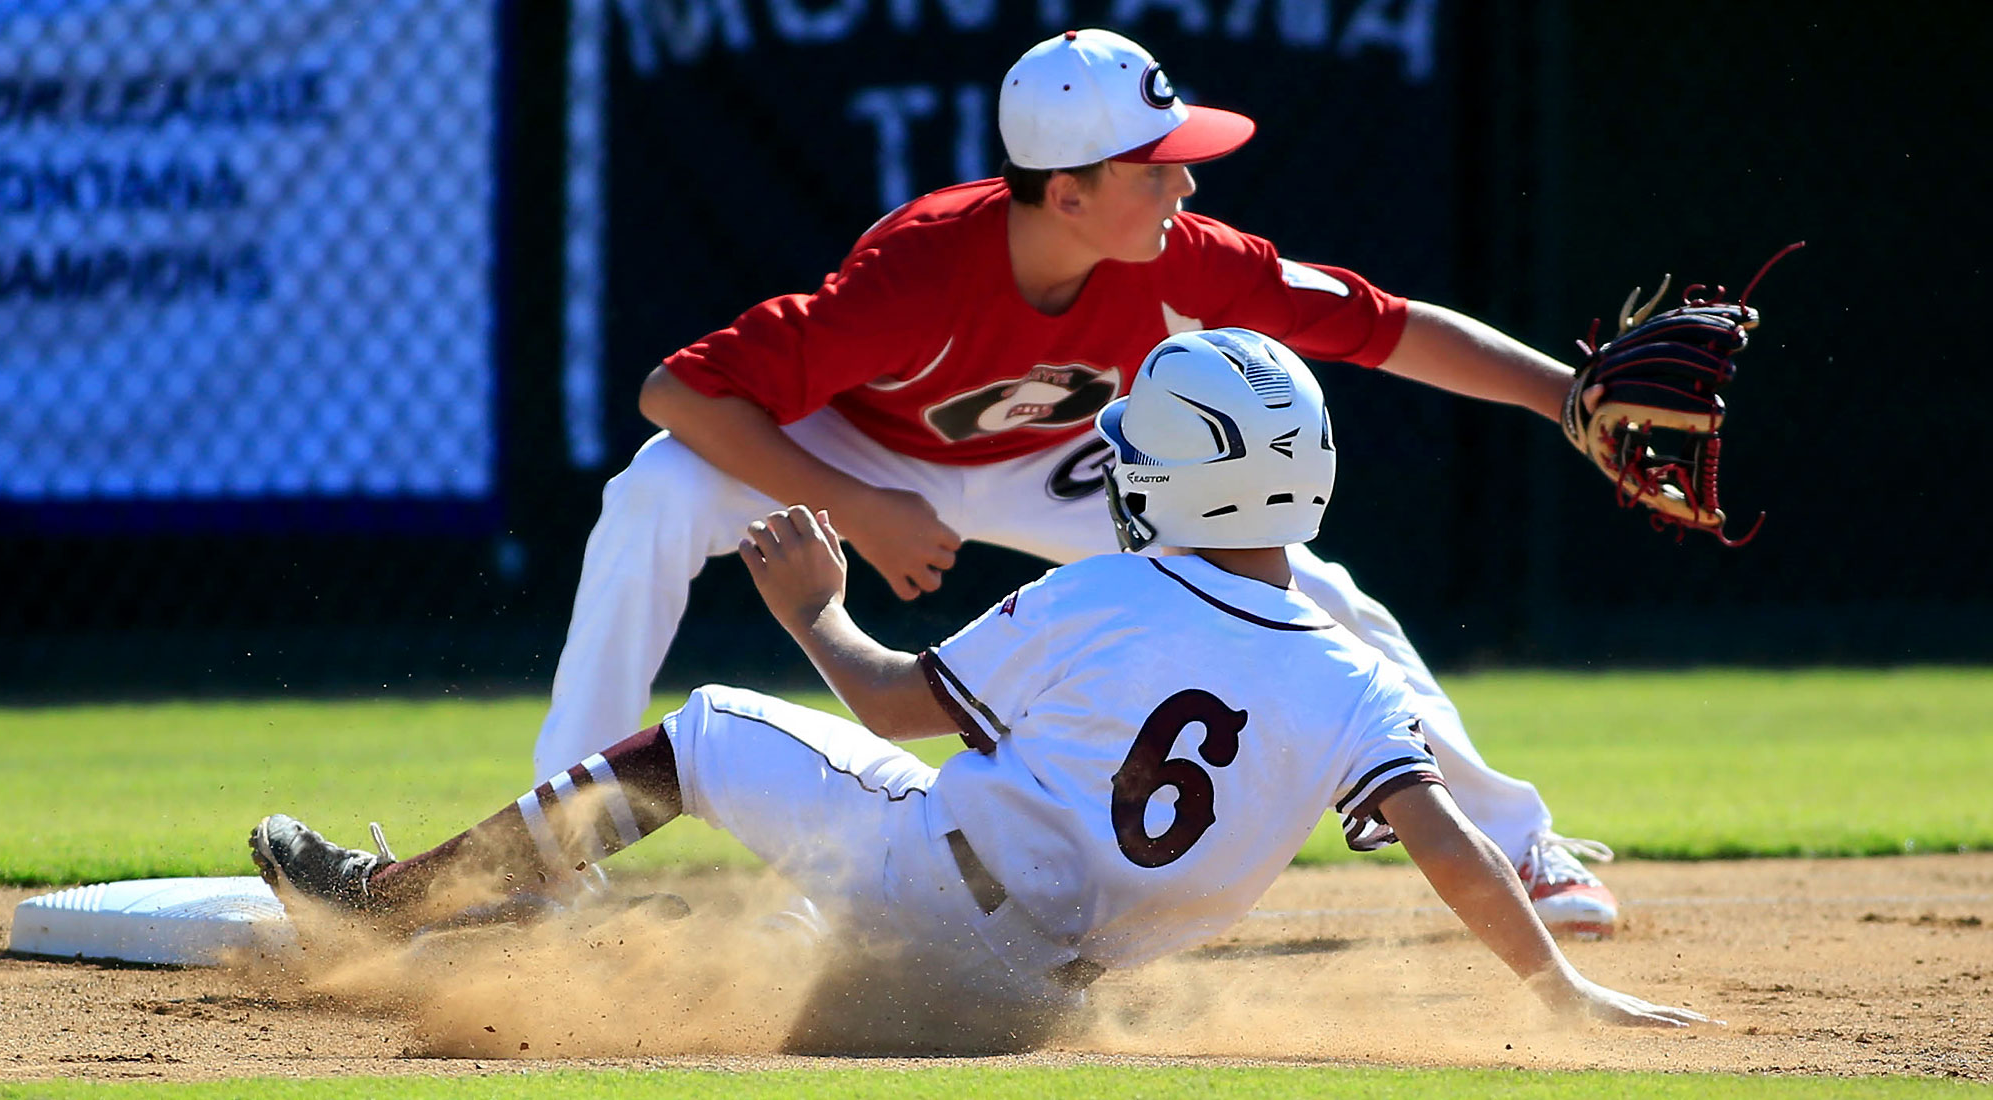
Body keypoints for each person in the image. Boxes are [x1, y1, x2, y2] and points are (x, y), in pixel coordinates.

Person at [250, 330, 1711, 1051]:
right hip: (1039, 1003)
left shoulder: (1105, 592)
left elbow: (888, 704)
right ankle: (756, 956)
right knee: (882, 855)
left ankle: (392, 902)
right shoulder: (1353, 674)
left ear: (1179, 477)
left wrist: (813, 609)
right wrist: (1558, 985)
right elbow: (1444, 840)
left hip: (922, 887)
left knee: (701, 733)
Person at [535, 28, 1617, 934]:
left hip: (1057, 467)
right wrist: (857, 503)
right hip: (866, 455)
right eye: (1155, 167)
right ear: (1066, 192)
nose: (1185, 182)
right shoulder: (915, 274)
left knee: (1319, 591)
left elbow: (1383, 325)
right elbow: (678, 390)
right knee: (657, 491)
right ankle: (555, 859)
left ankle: (1521, 842)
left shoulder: (1184, 254)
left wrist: (1568, 397)